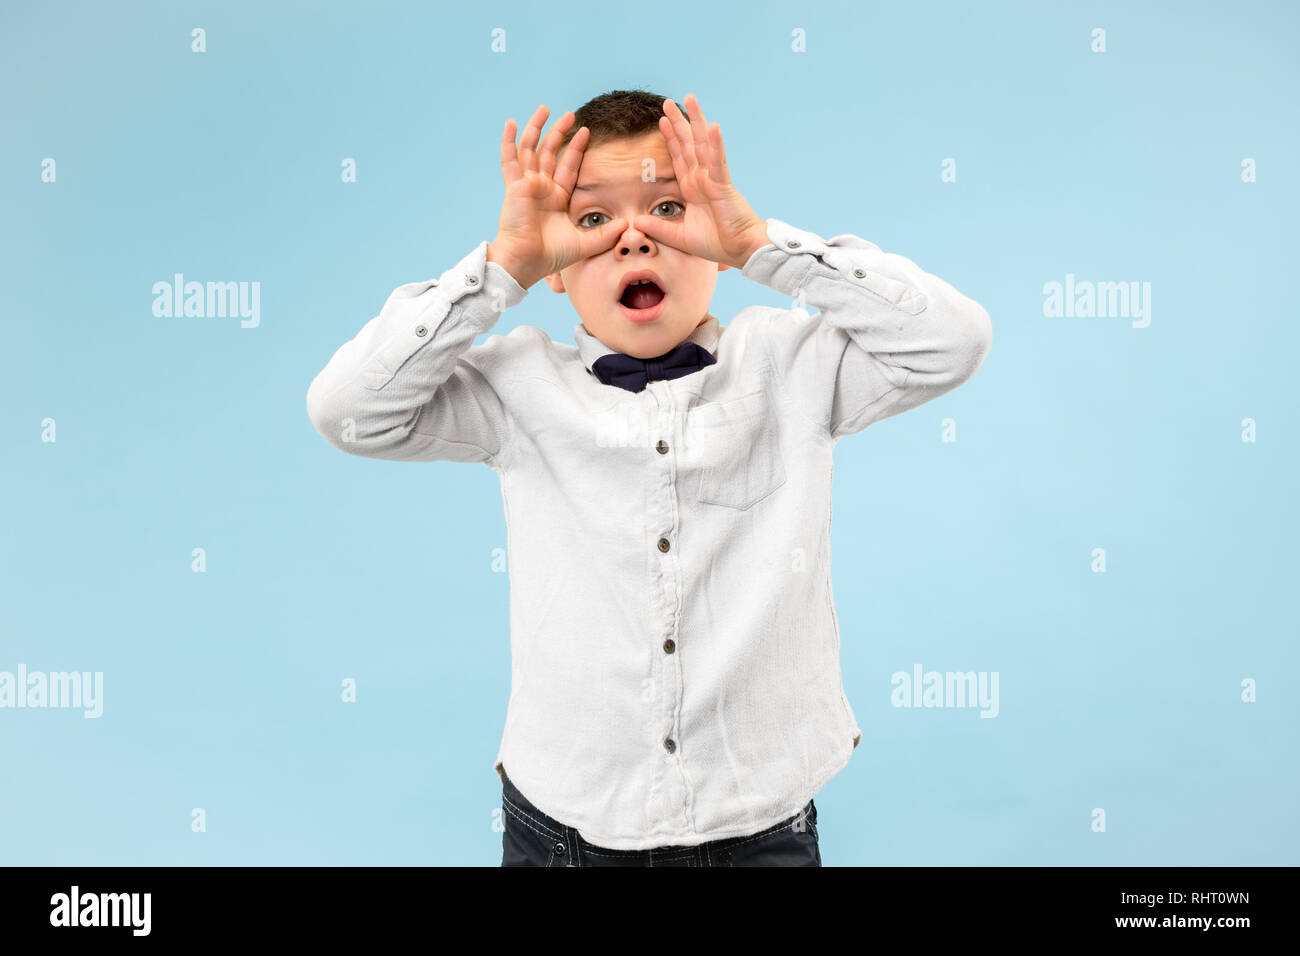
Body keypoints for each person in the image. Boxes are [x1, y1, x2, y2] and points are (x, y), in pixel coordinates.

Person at [305, 89, 993, 866]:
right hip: (562, 825)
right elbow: (348, 412)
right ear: (560, 269)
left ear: (709, 249)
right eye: (593, 220)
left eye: (668, 208)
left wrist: (759, 242)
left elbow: (953, 342)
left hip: (757, 825)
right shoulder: (515, 389)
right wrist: (501, 270)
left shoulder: (792, 366)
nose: (635, 239)